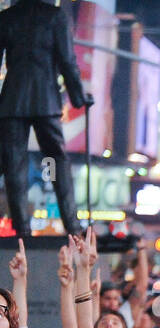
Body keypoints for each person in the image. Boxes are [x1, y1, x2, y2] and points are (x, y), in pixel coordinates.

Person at [0, 0, 90, 237]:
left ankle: (22, 229)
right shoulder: (55, 16)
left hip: (12, 100)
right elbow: (67, 60)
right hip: (45, 98)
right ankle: (72, 225)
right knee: (58, 160)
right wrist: (79, 97)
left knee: (14, 164)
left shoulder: (8, 17)